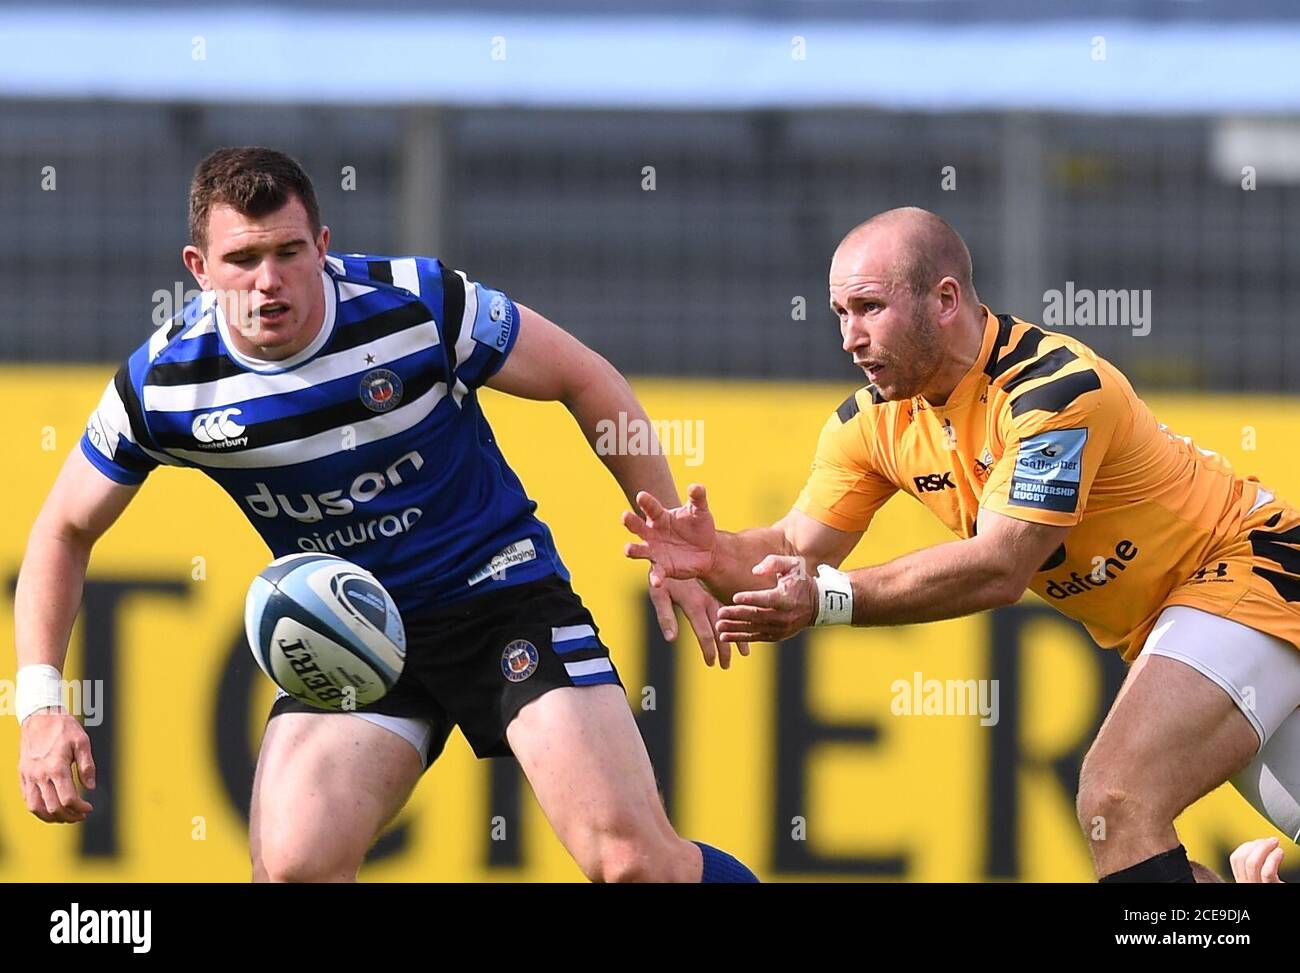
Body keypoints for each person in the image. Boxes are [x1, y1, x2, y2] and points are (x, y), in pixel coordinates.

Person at [15, 146, 756, 883]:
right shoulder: (167, 382)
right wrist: (42, 704)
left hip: (499, 599)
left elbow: (582, 376)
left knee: (632, 864)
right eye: (242, 260)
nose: (268, 281)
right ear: (199, 268)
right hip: (350, 636)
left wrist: (663, 528)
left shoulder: (414, 303)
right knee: (294, 867)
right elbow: (62, 529)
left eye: (289, 251)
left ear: (324, 246)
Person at [624, 206, 1300, 882]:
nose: (849, 337)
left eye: (868, 307)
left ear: (945, 299)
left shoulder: (1054, 390)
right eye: (839, 313)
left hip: (1250, 568)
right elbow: (793, 551)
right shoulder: (868, 423)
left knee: (1116, 798)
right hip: (1183, 621)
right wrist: (717, 556)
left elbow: (1000, 567)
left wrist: (826, 601)